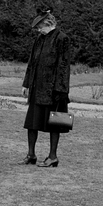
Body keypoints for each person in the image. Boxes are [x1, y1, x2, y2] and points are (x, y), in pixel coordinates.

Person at [20, 9, 72, 168]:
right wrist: (26, 83)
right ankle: (31, 155)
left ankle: (52, 157)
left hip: (54, 90)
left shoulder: (62, 39)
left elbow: (63, 66)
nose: (38, 30)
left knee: (54, 123)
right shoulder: (39, 39)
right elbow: (32, 62)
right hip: (37, 87)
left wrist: (61, 90)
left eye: (39, 27)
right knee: (31, 123)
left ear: (48, 24)